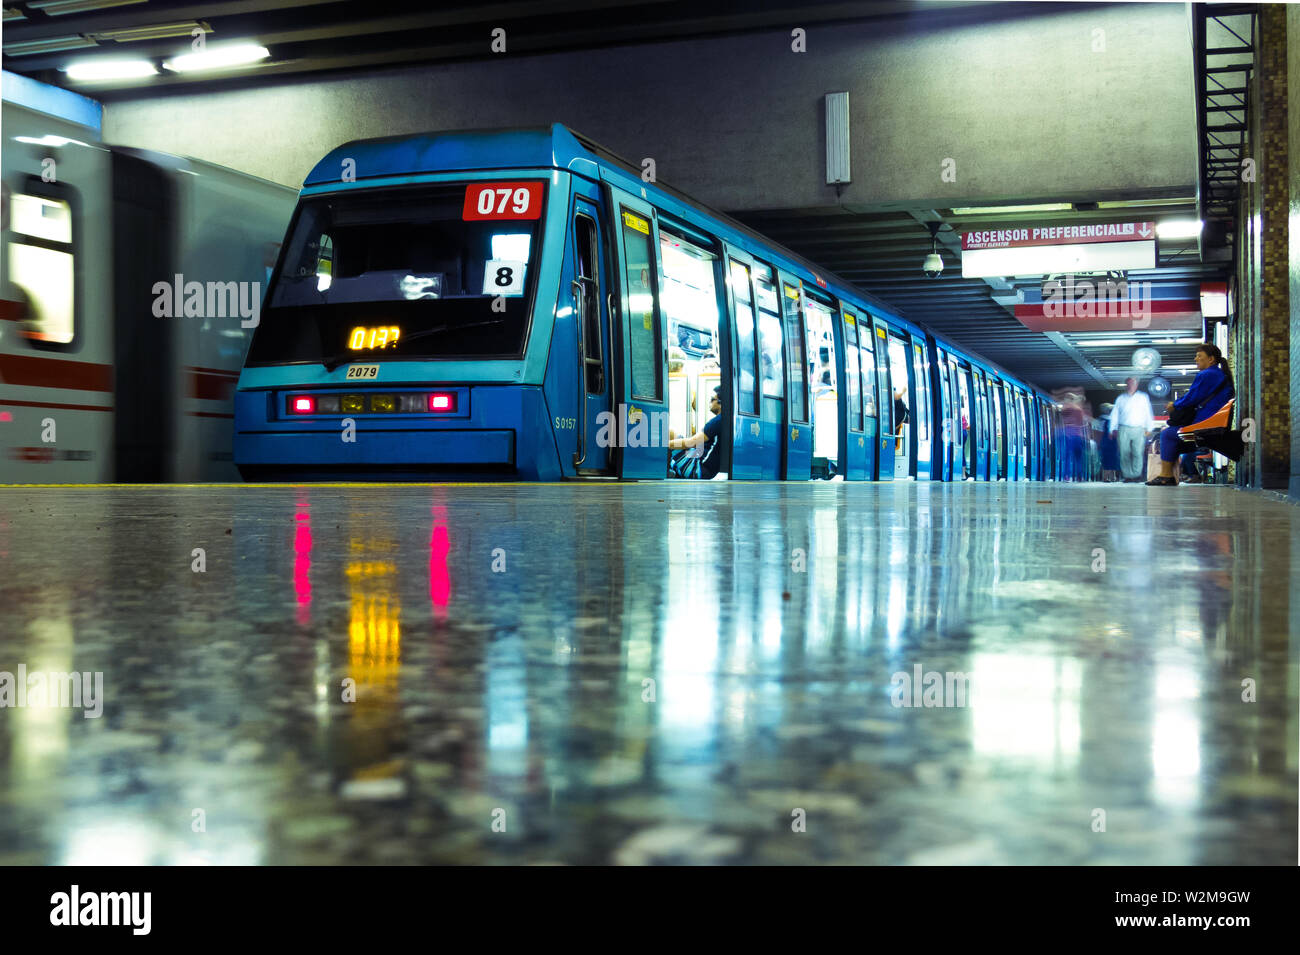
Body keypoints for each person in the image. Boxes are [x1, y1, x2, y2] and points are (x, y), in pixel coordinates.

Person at [1147, 343, 1234, 486]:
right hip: (1215, 423)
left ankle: (1166, 476)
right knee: (1175, 438)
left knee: (1167, 434)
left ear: (1211, 359)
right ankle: (1169, 475)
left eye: (1199, 356)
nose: (1195, 359)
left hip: (1207, 427)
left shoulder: (1207, 374)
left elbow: (1192, 397)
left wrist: (1174, 405)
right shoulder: (1219, 375)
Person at [668, 385, 724, 479]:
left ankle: (665, 471)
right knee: (673, 436)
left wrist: (665, 445)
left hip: (699, 469)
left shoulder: (718, 421)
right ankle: (672, 469)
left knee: (668, 434)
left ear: (720, 402)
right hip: (705, 468)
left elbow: (692, 442)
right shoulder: (724, 420)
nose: (709, 402)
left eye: (712, 399)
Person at [1110, 377, 1155, 482]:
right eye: (1129, 384)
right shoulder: (1121, 398)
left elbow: (1148, 412)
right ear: (1126, 385)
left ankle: (1136, 475)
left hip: (1139, 428)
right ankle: (1127, 476)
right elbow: (1115, 414)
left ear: (1136, 385)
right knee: (1124, 453)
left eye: (1132, 383)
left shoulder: (1143, 397)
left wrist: (1149, 427)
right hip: (1123, 428)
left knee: (1138, 452)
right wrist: (1112, 428)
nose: (1130, 386)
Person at [1098, 402, 1120, 481]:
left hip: (1106, 442)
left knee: (1108, 459)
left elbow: (1100, 432)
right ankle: (1109, 476)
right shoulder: (1111, 420)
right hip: (1111, 442)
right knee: (1112, 458)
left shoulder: (1102, 420)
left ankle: (1109, 476)